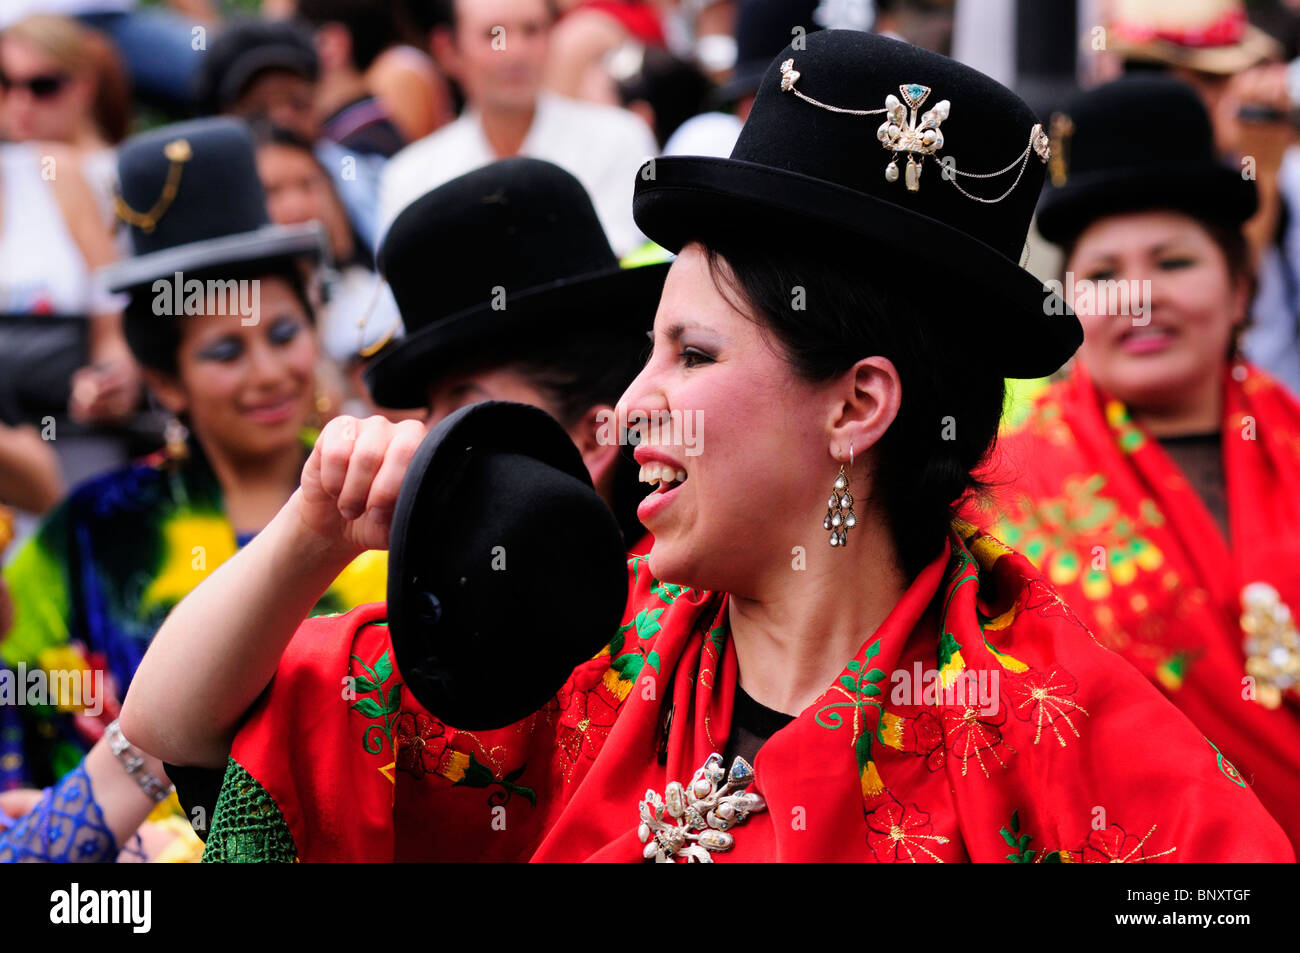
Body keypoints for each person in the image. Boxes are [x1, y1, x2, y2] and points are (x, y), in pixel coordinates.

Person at [124, 31, 1292, 862]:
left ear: (856, 405)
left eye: (689, 355)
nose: (630, 411)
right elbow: (176, 729)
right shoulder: (584, 661)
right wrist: (313, 530)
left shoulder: (1072, 739)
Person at [0, 117, 386, 862]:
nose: (267, 373)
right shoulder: (95, 531)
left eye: (282, 333)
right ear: (167, 382)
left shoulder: (375, 505)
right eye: (224, 351)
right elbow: (20, 689)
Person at [969, 74, 1300, 850]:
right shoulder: (996, 491)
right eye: (1106, 276)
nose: (1138, 298)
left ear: (1240, 286)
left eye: (1174, 262)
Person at [364, 157, 668, 550]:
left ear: (594, 439)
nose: (420, 443)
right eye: (428, 417)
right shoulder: (425, 605)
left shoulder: (705, 605)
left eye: (463, 414)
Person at [379, 0, 657, 255]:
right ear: (449, 50)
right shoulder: (410, 178)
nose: (515, 52)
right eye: (493, 35)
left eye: (532, 31)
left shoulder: (621, 139)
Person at [294, 0, 407, 159]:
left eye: (295, 36)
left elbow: (351, 176)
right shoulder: (367, 126)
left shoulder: (362, 142)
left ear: (332, 46)